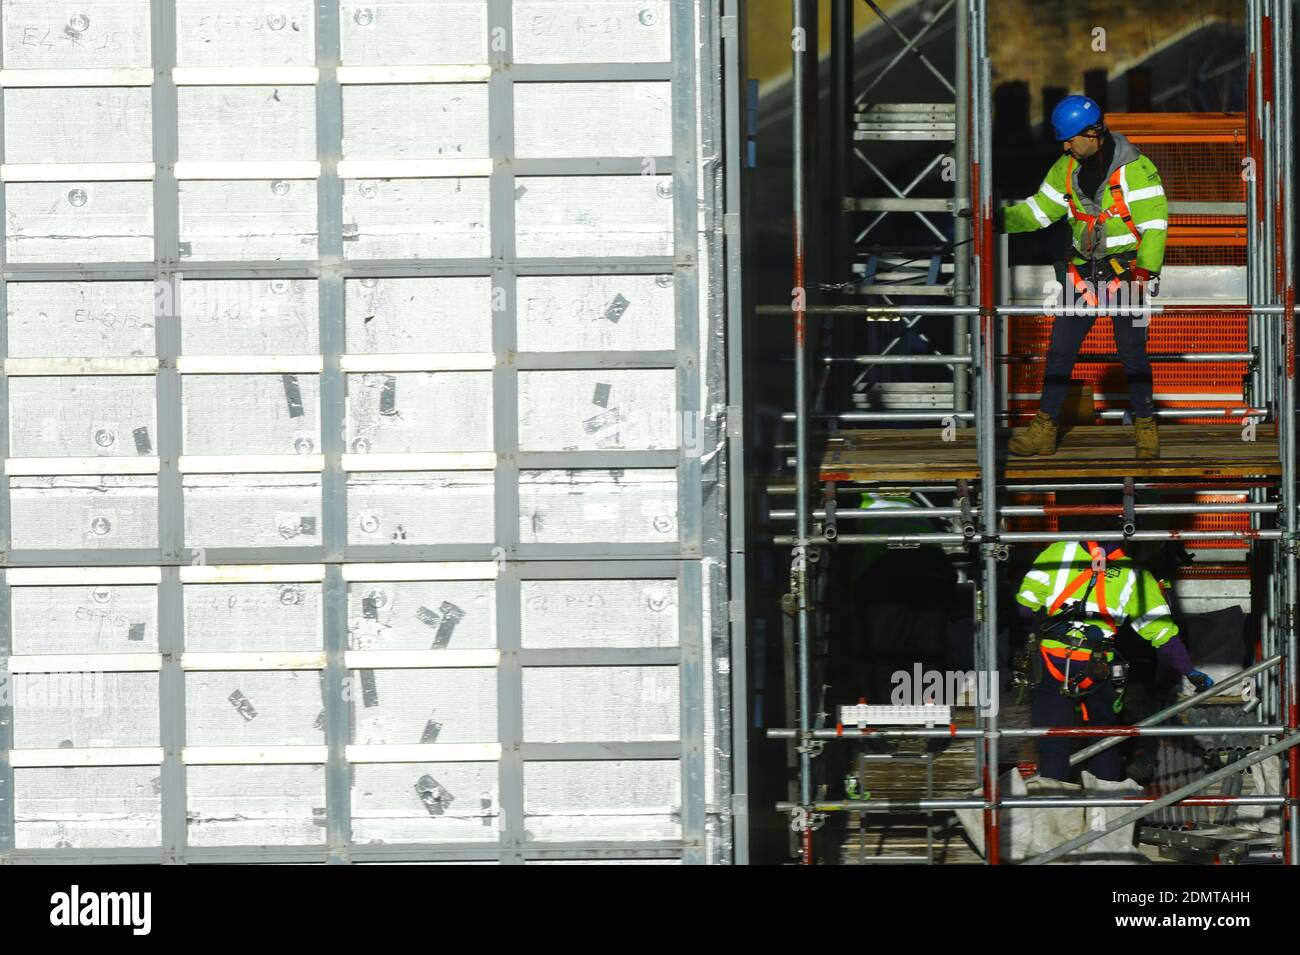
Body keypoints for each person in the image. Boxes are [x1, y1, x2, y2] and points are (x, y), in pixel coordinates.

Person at [999, 94, 1169, 460]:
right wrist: (996, 220)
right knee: (1060, 351)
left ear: (1093, 133)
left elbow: (1155, 225)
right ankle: (1044, 430)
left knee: (1132, 353)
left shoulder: (1136, 169)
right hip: (1083, 274)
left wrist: (1143, 273)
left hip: (1128, 273)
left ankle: (1145, 429)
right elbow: (1038, 212)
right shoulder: (1065, 168)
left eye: (1070, 139)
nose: (1065, 146)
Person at [1014, 538, 1212, 782]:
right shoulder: (1135, 574)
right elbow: (1160, 632)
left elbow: (1025, 606)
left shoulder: (1058, 552)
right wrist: (1189, 670)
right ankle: (1106, 810)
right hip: (1098, 665)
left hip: (1052, 659)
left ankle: (1054, 808)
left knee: (1053, 742)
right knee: (1104, 740)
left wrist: (1032, 637)